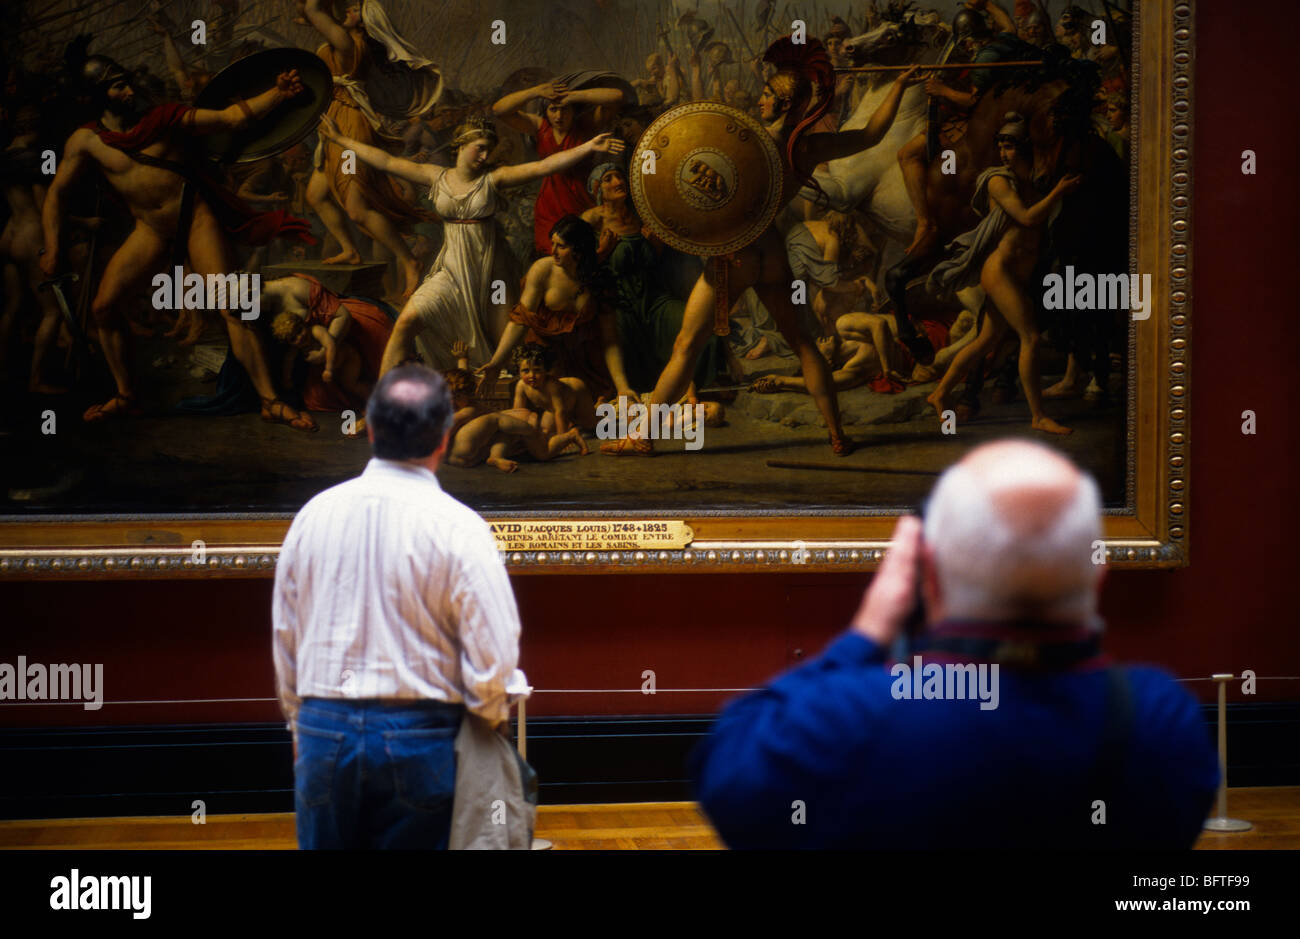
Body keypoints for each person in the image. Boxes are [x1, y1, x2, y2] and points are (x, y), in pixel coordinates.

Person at [691, 439, 1220, 849]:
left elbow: (727, 775)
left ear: (927, 574)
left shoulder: (846, 719)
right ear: (1098, 575)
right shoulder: (1161, 721)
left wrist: (866, 633)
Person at [605, 36, 924, 457]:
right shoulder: (808, 147)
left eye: (767, 94)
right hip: (769, 250)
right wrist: (900, 85)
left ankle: (641, 437)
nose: (759, 100)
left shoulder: (746, 140)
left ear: (783, 102)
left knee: (686, 345)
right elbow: (872, 134)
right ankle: (837, 434)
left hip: (734, 253)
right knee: (804, 343)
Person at [272, 365, 528, 849]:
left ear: (369, 431)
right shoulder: (460, 526)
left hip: (324, 729)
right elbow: (495, 655)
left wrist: (300, 725)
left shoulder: (314, 516)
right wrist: (486, 717)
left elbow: (287, 633)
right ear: (445, 439)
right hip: (421, 735)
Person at [40, 53, 316, 427]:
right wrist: (54, 247)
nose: (129, 90)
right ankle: (125, 395)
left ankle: (269, 400)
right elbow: (56, 194)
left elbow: (232, 119)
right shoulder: (86, 141)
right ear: (96, 96)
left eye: (127, 82)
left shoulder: (165, 119)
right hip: (150, 230)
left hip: (196, 219)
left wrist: (278, 93)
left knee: (232, 306)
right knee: (103, 307)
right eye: (117, 85)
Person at [319, 115, 624, 374]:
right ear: (461, 145)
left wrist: (588, 146)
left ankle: (501, 406)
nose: (484, 157)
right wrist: (340, 139)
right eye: (479, 149)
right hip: (450, 270)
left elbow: (545, 166)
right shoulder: (435, 176)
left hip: (489, 271)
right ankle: (380, 408)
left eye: (488, 151)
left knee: (503, 345)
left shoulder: (493, 179)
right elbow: (384, 161)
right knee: (407, 321)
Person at [923, 112, 1080, 435]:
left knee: (984, 341)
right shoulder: (998, 180)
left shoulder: (1029, 181)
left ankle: (939, 394)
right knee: (1031, 337)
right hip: (1001, 271)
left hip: (1016, 274)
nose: (1004, 154)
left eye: (1010, 147)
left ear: (1024, 149)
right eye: (1001, 147)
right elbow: (1026, 218)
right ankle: (1038, 416)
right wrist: (1058, 193)